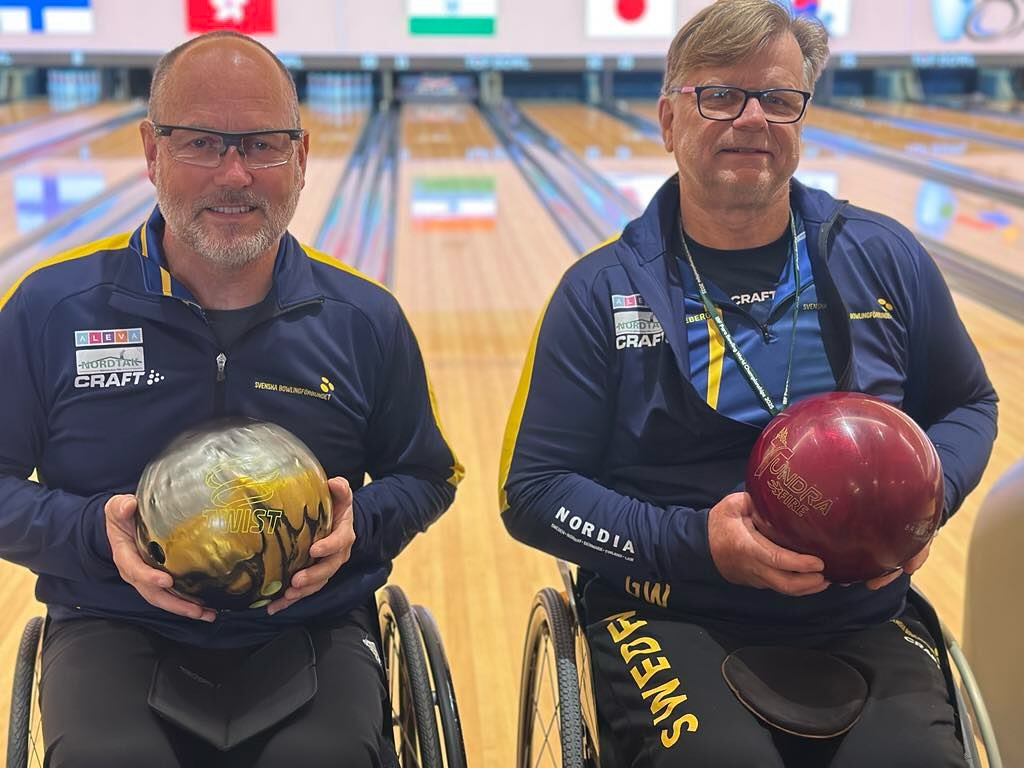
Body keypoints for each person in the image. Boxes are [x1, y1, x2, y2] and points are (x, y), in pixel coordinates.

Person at [499, 1, 997, 766]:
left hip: (861, 615)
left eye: (778, 98)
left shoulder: (883, 257)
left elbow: (970, 405)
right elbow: (532, 492)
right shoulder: (600, 293)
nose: (753, 118)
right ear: (668, 120)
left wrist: (927, 501)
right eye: (720, 96)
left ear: (802, 116)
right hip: (670, 610)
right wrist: (695, 543)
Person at [0, 31, 462, 768]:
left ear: (303, 156)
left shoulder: (363, 320)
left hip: (311, 626)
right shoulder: (53, 310)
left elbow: (428, 477)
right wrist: (95, 533)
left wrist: (358, 524)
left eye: (263, 145)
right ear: (151, 151)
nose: (235, 175)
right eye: (202, 145)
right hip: (111, 624)